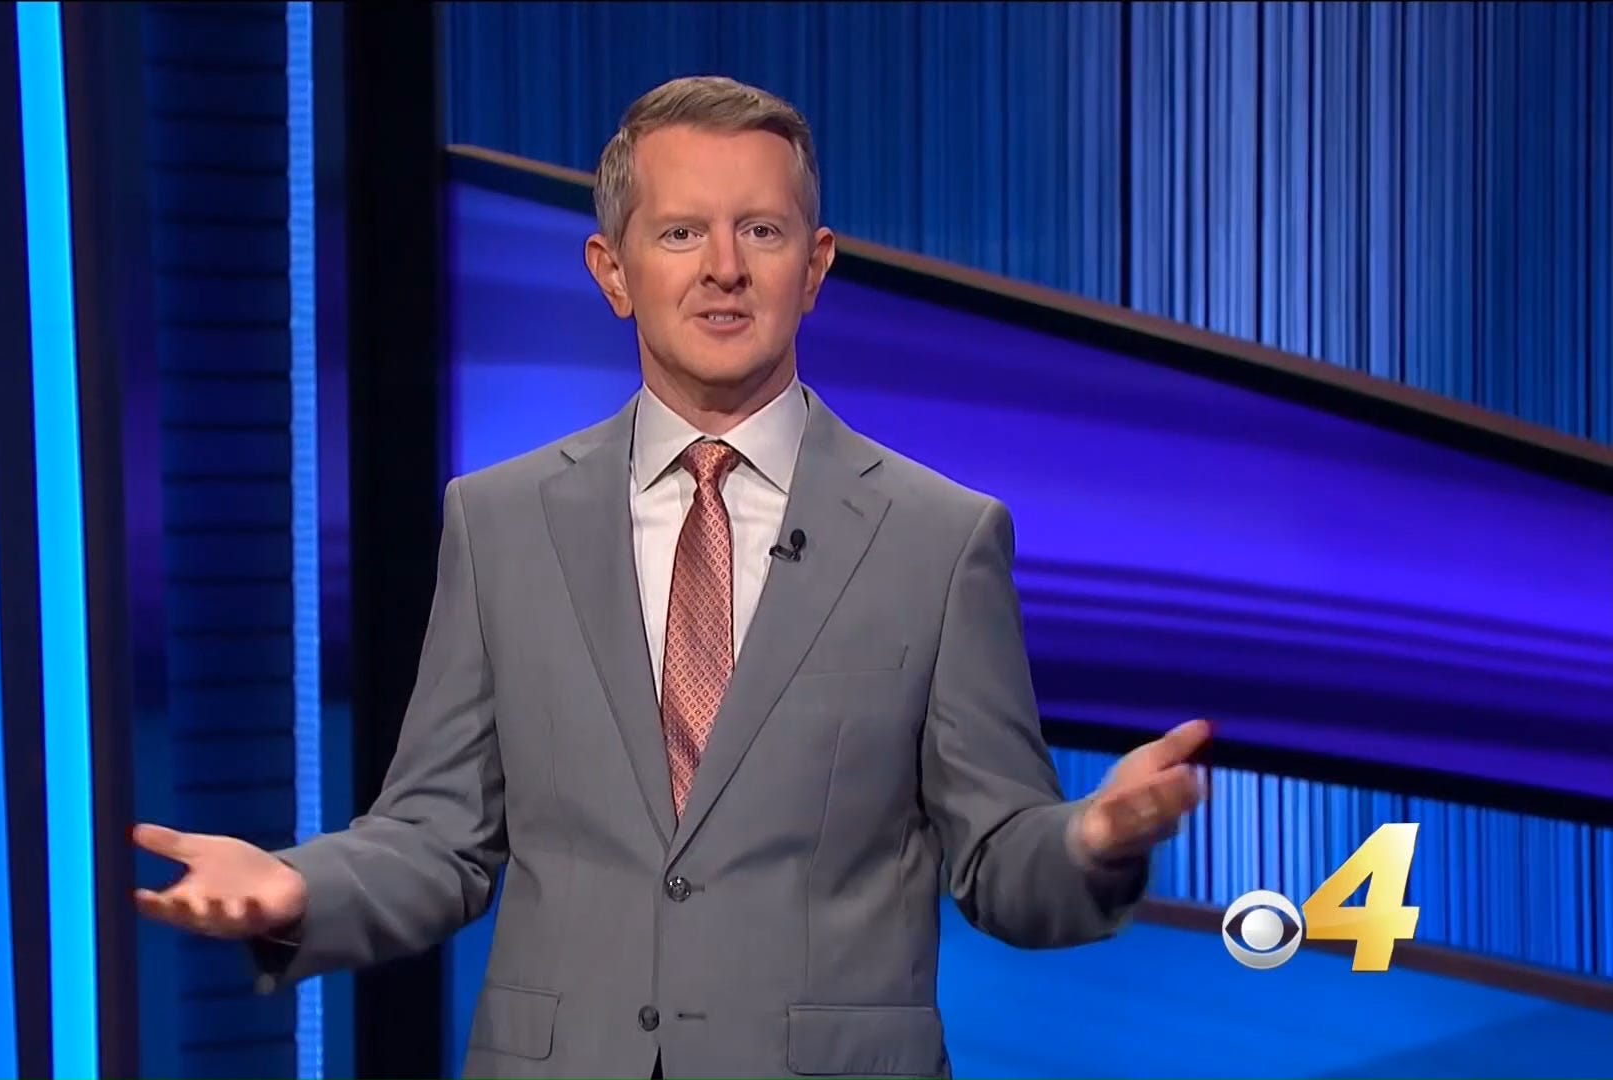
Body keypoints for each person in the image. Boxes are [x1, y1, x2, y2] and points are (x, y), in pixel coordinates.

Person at [133, 75, 1209, 1079]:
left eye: (762, 231)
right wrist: (296, 887)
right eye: (682, 232)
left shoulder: (939, 539)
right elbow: (436, 836)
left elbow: (1001, 860)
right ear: (613, 271)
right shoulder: (501, 522)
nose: (723, 268)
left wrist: (1092, 840)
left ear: (816, 267)